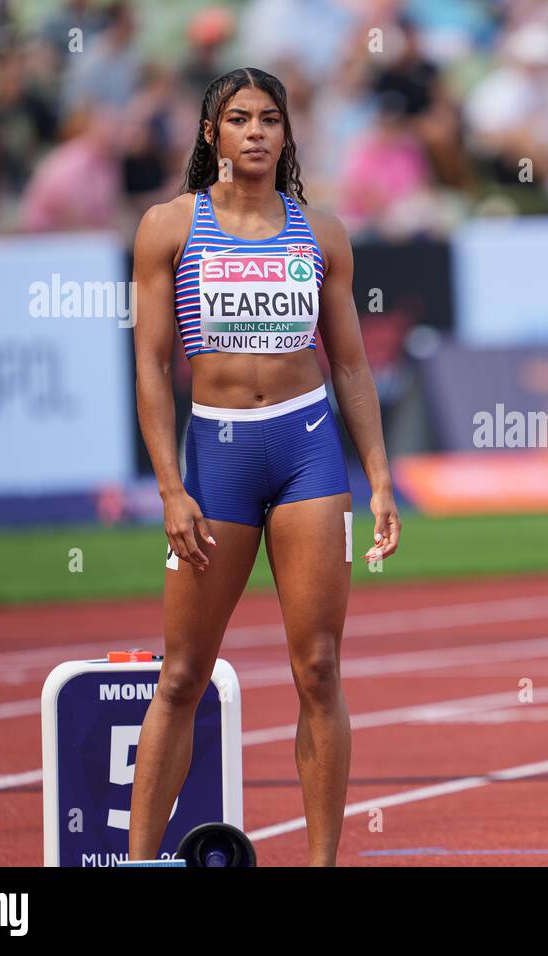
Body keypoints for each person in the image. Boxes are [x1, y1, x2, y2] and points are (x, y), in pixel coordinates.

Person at [128, 67, 400, 866]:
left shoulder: (321, 232)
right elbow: (149, 366)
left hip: (306, 447)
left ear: (287, 134)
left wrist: (380, 477)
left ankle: (320, 863)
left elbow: (349, 366)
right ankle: (141, 863)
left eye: (270, 119)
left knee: (318, 667)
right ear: (212, 132)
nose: (255, 131)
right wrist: (170, 488)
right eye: (239, 118)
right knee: (182, 674)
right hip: (216, 455)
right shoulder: (169, 227)